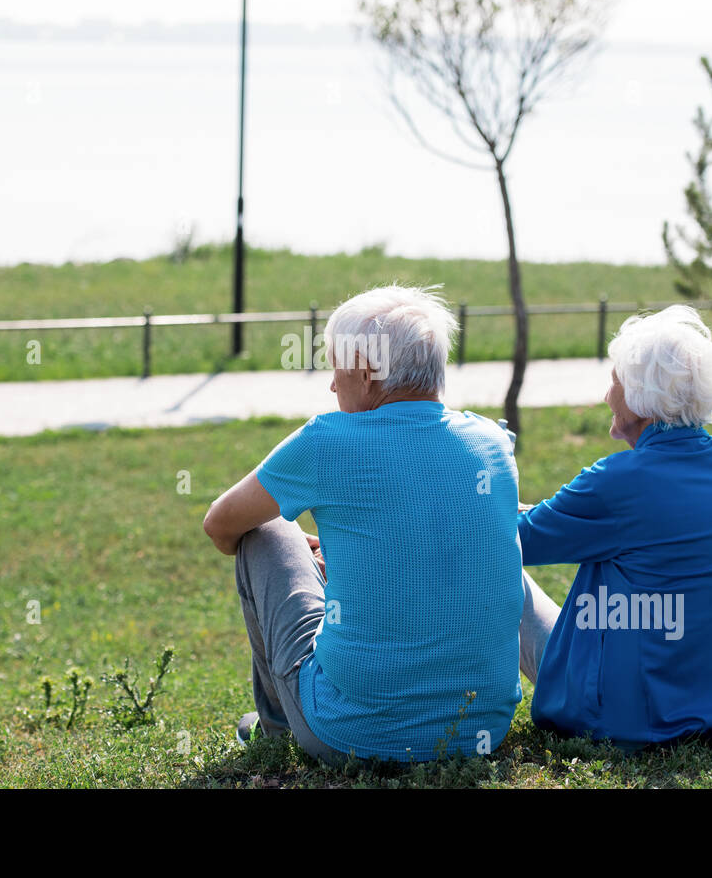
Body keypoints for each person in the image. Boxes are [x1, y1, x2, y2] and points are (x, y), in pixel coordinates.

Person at [202, 285, 525, 764]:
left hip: (350, 735)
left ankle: (278, 728)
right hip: (481, 729)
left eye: (336, 368)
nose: (332, 385)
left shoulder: (325, 441)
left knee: (265, 530)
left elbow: (221, 525)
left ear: (368, 373)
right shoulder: (493, 444)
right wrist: (351, 557)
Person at [517, 305, 712, 750]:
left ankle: (437, 710)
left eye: (615, 382)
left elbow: (511, 540)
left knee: (496, 564)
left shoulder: (617, 482)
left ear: (641, 399)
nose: (607, 395)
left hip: (638, 718)